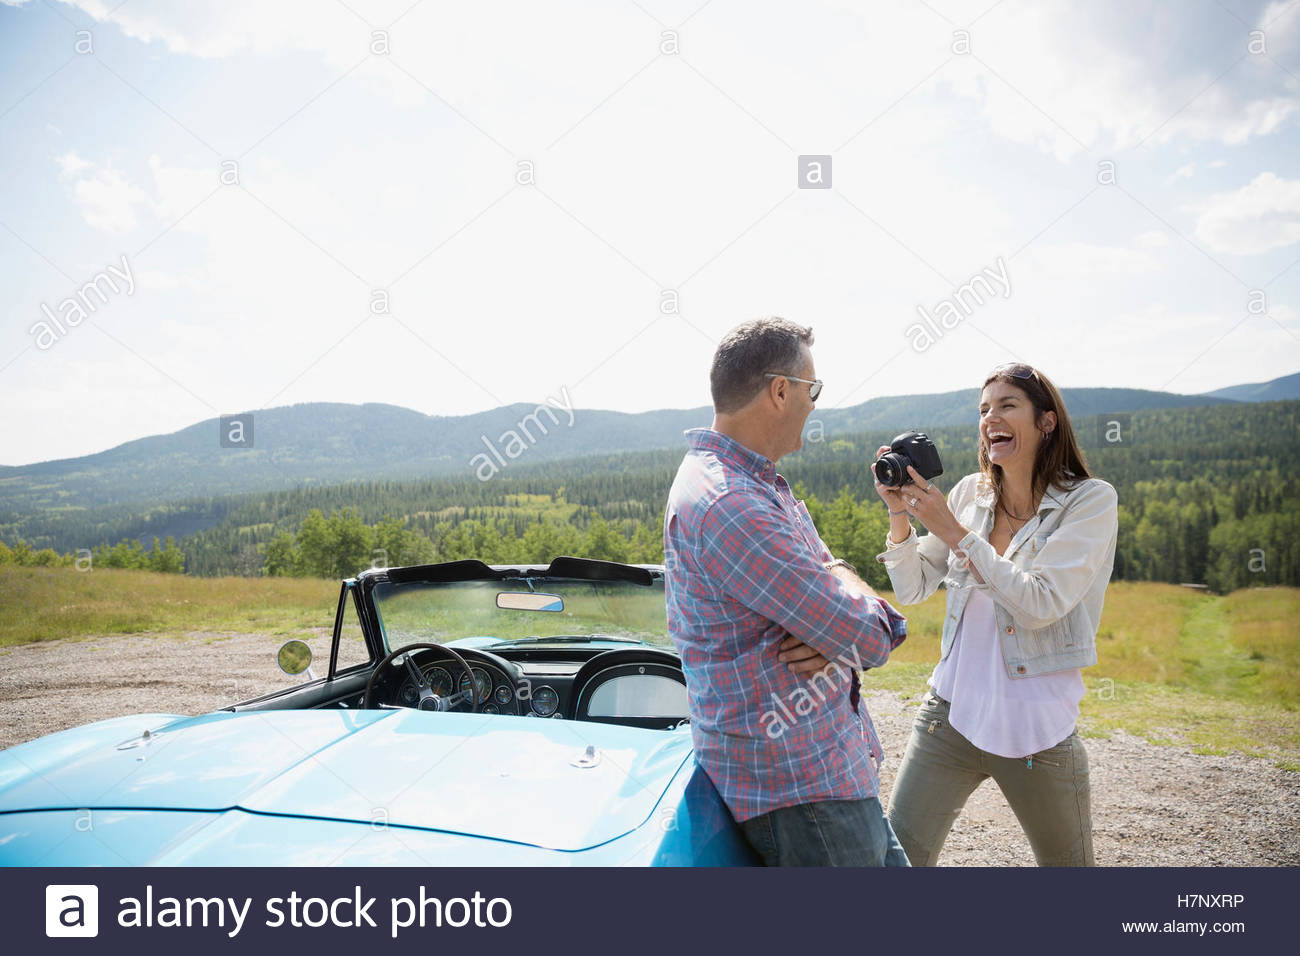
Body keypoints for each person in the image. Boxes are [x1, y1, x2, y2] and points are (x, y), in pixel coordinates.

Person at [664, 316, 910, 867]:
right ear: (780, 391)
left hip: (820, 781)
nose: (815, 403)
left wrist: (836, 596)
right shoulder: (734, 504)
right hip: (805, 793)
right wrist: (843, 624)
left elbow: (832, 580)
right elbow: (871, 637)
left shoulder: (750, 479)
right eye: (812, 389)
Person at [875, 363, 1118, 866]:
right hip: (949, 717)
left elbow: (1039, 604)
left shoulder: (1089, 502)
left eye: (1007, 406)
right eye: (984, 409)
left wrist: (955, 534)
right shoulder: (969, 493)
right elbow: (914, 587)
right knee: (895, 865)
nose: (991, 419)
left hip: (1037, 731)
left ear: (1046, 422)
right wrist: (900, 513)